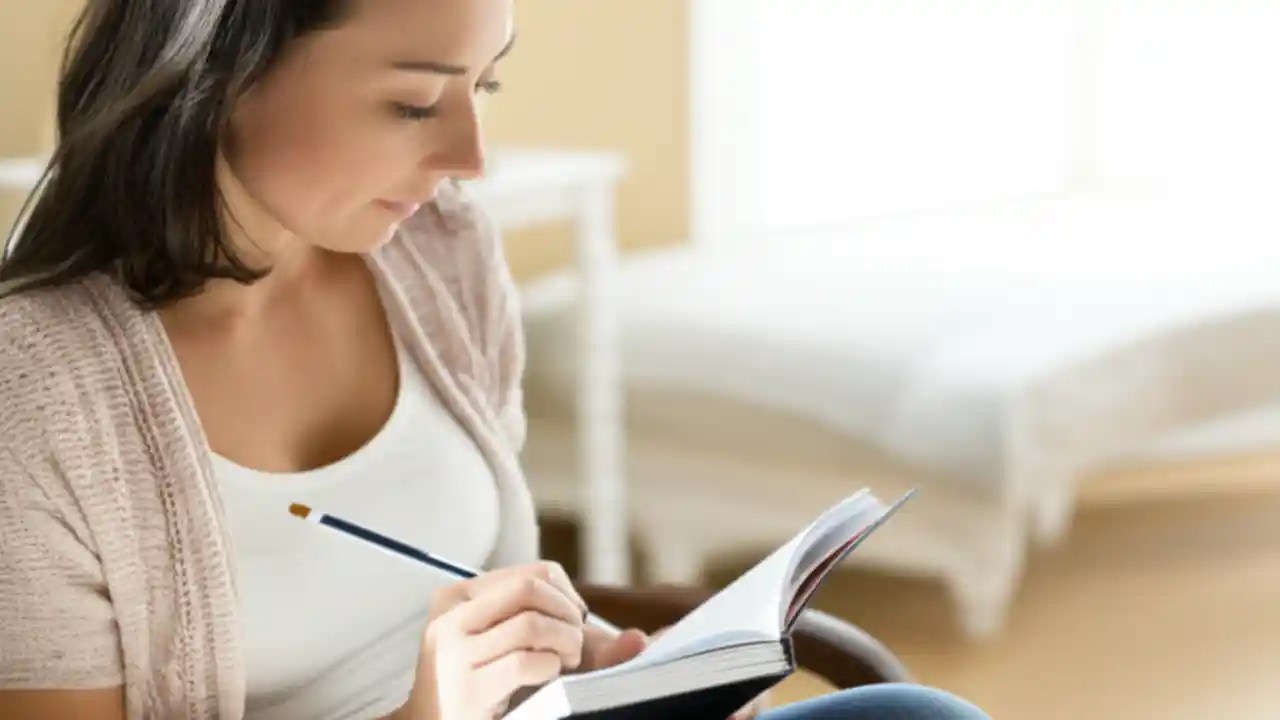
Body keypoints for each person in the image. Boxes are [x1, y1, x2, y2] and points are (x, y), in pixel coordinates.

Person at [0, 1, 989, 718]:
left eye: (484, 85)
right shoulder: (36, 395)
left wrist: (592, 663)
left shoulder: (438, 251)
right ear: (216, 72)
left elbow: (493, 574)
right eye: (415, 103)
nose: (471, 158)